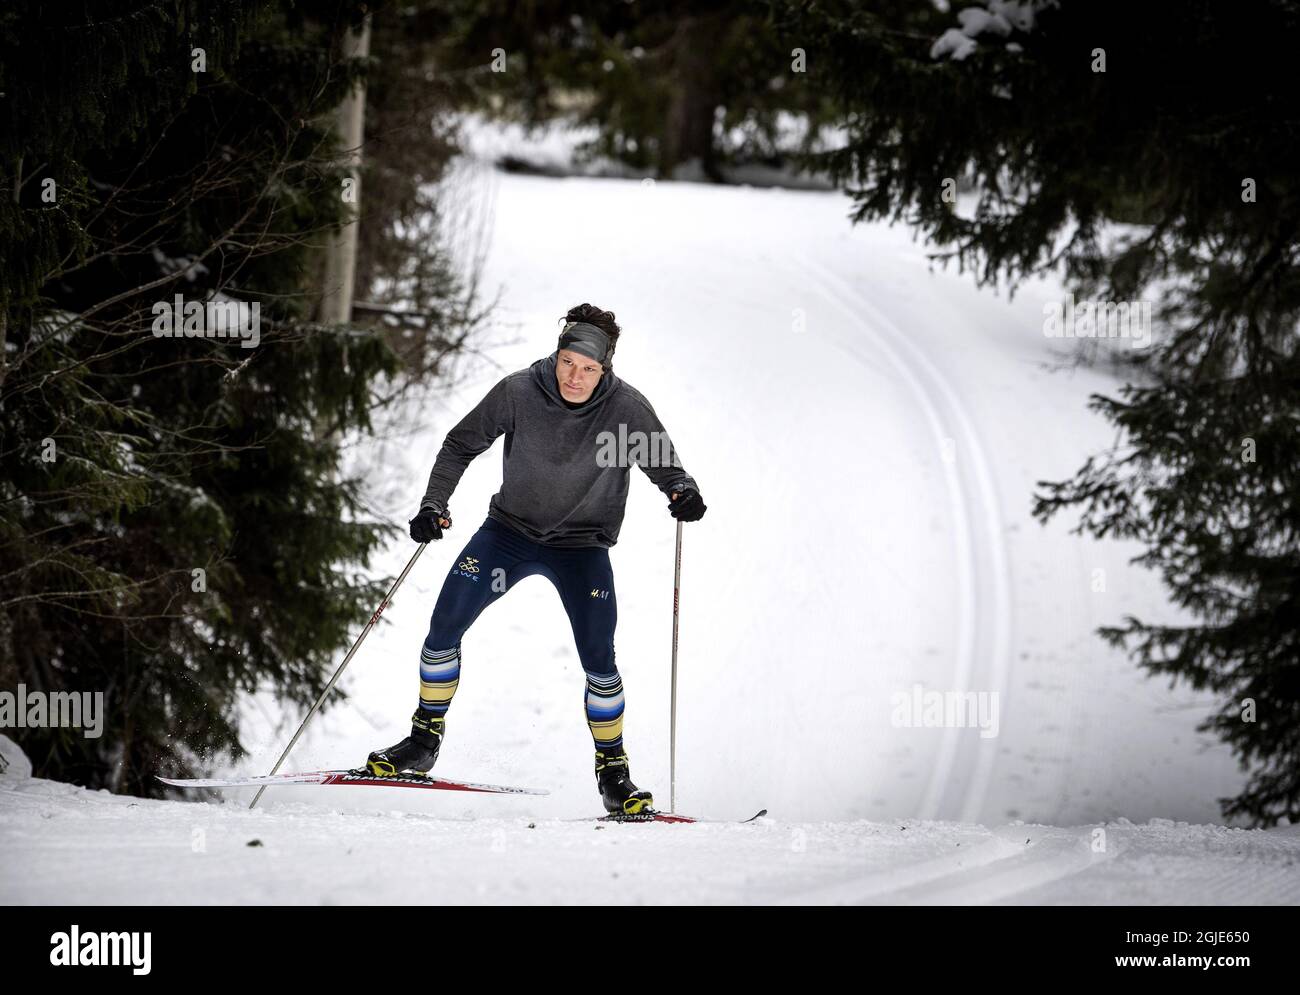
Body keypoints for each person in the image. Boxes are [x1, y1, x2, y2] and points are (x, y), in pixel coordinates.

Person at [365, 303, 707, 814]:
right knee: (442, 630)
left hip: (583, 546)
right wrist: (433, 504)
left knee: (600, 658)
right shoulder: (519, 392)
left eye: (589, 368)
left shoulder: (626, 409)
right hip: (509, 535)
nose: (576, 376)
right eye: (569, 361)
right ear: (558, 352)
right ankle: (422, 743)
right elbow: (460, 444)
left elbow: (668, 469)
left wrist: (683, 491)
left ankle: (614, 774)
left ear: (606, 367)